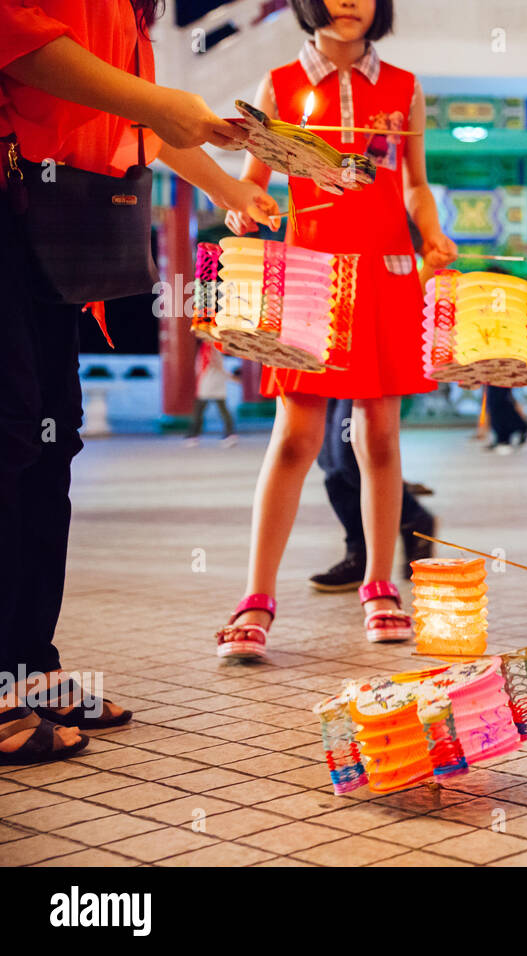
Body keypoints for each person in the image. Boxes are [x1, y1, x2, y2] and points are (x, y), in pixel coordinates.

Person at [1, 0, 280, 762]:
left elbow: (125, 118)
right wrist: (157, 100)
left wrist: (225, 184)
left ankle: (27, 667)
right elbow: (19, 40)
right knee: (8, 435)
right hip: (10, 192)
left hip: (55, 221)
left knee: (49, 442)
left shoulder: (128, 9)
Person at [214, 0, 458, 658]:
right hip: (306, 276)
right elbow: (255, 181)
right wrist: (249, 207)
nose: (348, 1)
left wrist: (431, 230)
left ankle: (381, 587)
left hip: (385, 272)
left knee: (378, 433)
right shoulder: (279, 84)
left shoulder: (404, 87)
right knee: (296, 436)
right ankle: (255, 600)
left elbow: (414, 185)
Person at [307, 397, 434, 591]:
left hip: (357, 373)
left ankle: (413, 517)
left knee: (350, 457)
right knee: (330, 463)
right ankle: (358, 553)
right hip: (324, 372)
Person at [185, 341, 238, 446]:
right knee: (221, 409)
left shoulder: (210, 346)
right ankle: (230, 434)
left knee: (199, 410)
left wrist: (230, 376)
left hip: (209, 381)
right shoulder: (211, 345)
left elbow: (215, 363)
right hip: (213, 381)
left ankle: (193, 435)